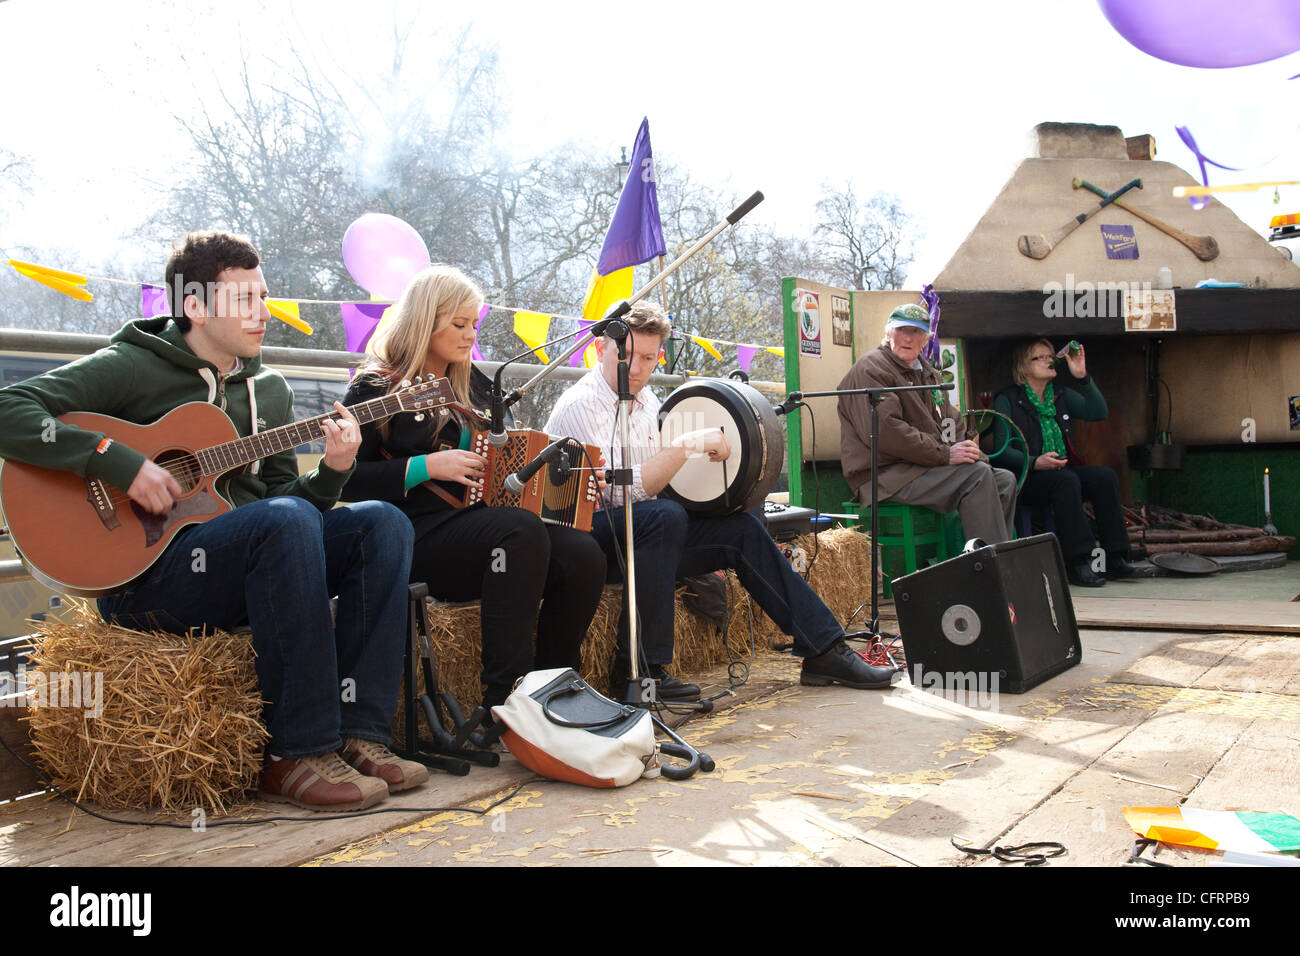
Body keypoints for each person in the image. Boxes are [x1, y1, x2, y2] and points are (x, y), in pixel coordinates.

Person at [0, 231, 427, 811]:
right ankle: (295, 751)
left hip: (246, 570)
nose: (263, 313)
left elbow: (289, 504)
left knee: (382, 523)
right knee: (283, 521)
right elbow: (9, 409)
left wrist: (334, 470)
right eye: (245, 299)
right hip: (148, 581)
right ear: (195, 307)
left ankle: (361, 733)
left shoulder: (270, 391)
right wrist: (120, 463)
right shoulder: (133, 367)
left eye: (265, 296)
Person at [545, 301, 898, 697]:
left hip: (642, 539)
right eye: (625, 356)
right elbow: (621, 491)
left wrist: (718, 482)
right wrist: (688, 445)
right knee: (663, 516)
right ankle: (642, 672)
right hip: (587, 543)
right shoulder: (582, 403)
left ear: (659, 356)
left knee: (740, 527)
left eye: (647, 358)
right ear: (601, 349)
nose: (637, 369)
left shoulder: (648, 405)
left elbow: (667, 486)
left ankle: (823, 648)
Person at [340, 265, 606, 713]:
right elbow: (346, 479)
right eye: (459, 324)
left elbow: (502, 465)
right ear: (426, 320)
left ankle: (556, 689)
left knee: (583, 553)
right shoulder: (374, 386)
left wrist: (560, 483)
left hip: (478, 530)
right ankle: (505, 702)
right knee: (518, 533)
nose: (469, 335)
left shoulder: (475, 383)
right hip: (410, 536)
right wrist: (424, 466)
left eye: (474, 324)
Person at [838, 303, 1016, 546]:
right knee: (976, 476)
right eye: (902, 330)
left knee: (1004, 479)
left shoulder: (928, 372)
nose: (909, 338)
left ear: (926, 339)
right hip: (885, 476)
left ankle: (991, 556)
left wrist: (968, 451)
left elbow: (950, 421)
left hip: (921, 468)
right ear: (889, 332)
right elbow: (887, 433)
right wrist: (945, 454)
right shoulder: (871, 368)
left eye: (917, 332)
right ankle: (988, 568)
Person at [991, 339, 1135, 587]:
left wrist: (1082, 376)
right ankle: (1077, 561)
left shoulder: (1060, 395)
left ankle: (1116, 557)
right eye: (1042, 357)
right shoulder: (1007, 399)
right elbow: (1001, 450)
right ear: (1024, 366)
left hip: (1059, 472)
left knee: (1104, 477)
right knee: (1066, 480)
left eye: (1050, 355)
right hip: (1027, 478)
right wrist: (1036, 462)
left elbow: (1098, 412)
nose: (1050, 360)